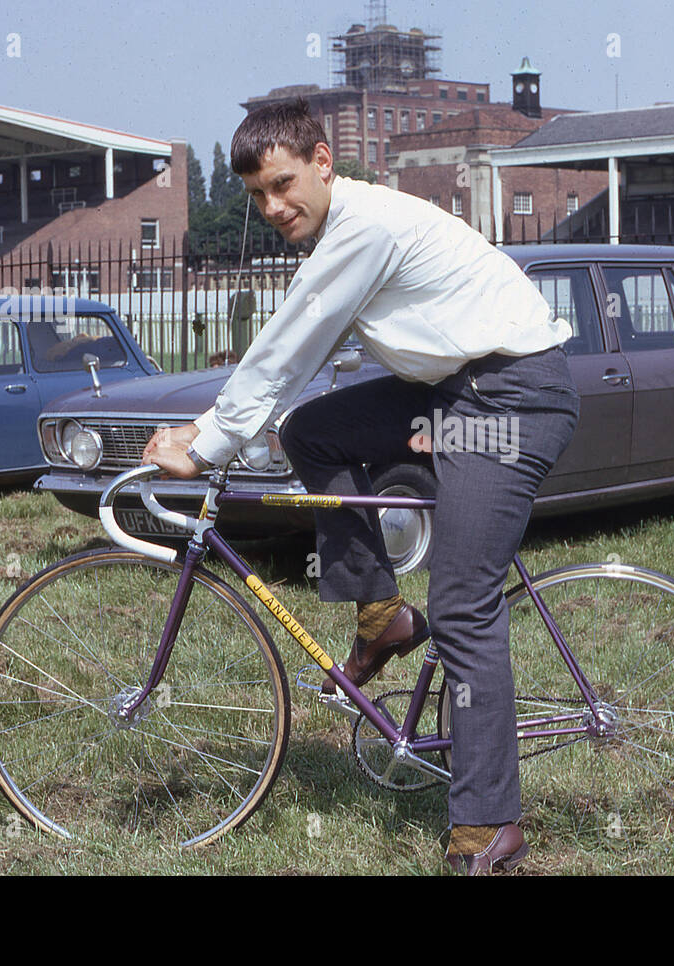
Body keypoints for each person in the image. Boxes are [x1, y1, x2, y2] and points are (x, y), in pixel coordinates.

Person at [142, 98, 579, 874]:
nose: (274, 207)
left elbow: (289, 344)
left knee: (463, 604)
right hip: (453, 390)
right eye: (257, 196)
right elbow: (298, 359)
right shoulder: (345, 231)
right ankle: (382, 615)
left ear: (322, 162)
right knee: (314, 432)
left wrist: (206, 444)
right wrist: (214, 427)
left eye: (283, 184)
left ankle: (489, 826)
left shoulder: (364, 227)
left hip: (509, 398)